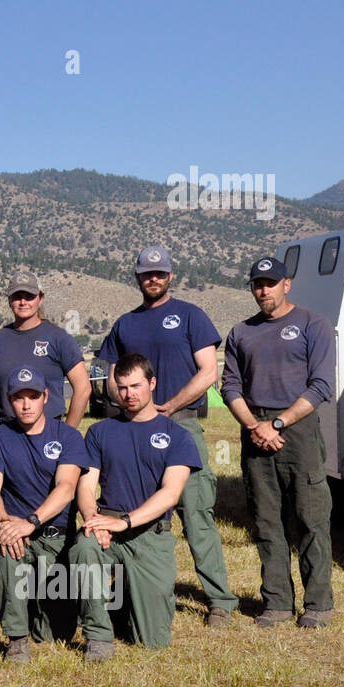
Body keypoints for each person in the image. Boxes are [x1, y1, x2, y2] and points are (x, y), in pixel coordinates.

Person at [96, 246, 238, 626]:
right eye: (146, 273)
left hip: (181, 424)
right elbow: (112, 377)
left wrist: (169, 406)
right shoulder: (125, 324)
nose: (153, 278)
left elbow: (209, 372)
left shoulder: (190, 315)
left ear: (171, 276)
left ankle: (220, 600)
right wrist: (127, 405)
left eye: (159, 273)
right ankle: (130, 588)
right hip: (133, 430)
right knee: (133, 509)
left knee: (196, 513)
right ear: (137, 277)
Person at [221, 256, 336, 629]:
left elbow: (320, 385)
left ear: (287, 284)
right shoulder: (241, 332)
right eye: (257, 283)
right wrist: (255, 425)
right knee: (266, 520)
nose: (264, 289)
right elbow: (230, 387)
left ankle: (317, 604)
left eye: (271, 282)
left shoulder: (312, 324)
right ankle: (277, 604)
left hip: (297, 429)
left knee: (309, 518)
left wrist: (278, 422)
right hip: (255, 429)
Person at [70, 353, 201, 661]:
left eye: (136, 385)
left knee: (153, 641)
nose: (129, 394)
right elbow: (86, 486)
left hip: (150, 533)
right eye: (122, 387)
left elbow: (170, 494)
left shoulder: (177, 437)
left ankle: (126, 600)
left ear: (152, 384)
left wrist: (126, 522)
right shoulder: (100, 432)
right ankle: (98, 636)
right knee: (84, 547)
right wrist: (93, 520)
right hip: (108, 526)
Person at [0, 366, 86, 663]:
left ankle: (42, 608)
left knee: (56, 632)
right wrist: (5, 522)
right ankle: (16, 639)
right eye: (18, 397)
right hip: (17, 536)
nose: (26, 404)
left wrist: (32, 522)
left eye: (33, 396)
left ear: (46, 397)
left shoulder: (68, 436)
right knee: (6, 547)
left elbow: (66, 488)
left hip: (56, 539)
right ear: (8, 400)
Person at [0, 271, 90, 428]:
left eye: (29, 296)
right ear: (9, 300)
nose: (23, 301)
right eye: (17, 296)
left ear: (40, 299)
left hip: (49, 432)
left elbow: (83, 388)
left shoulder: (59, 338)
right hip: (6, 434)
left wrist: (67, 432)